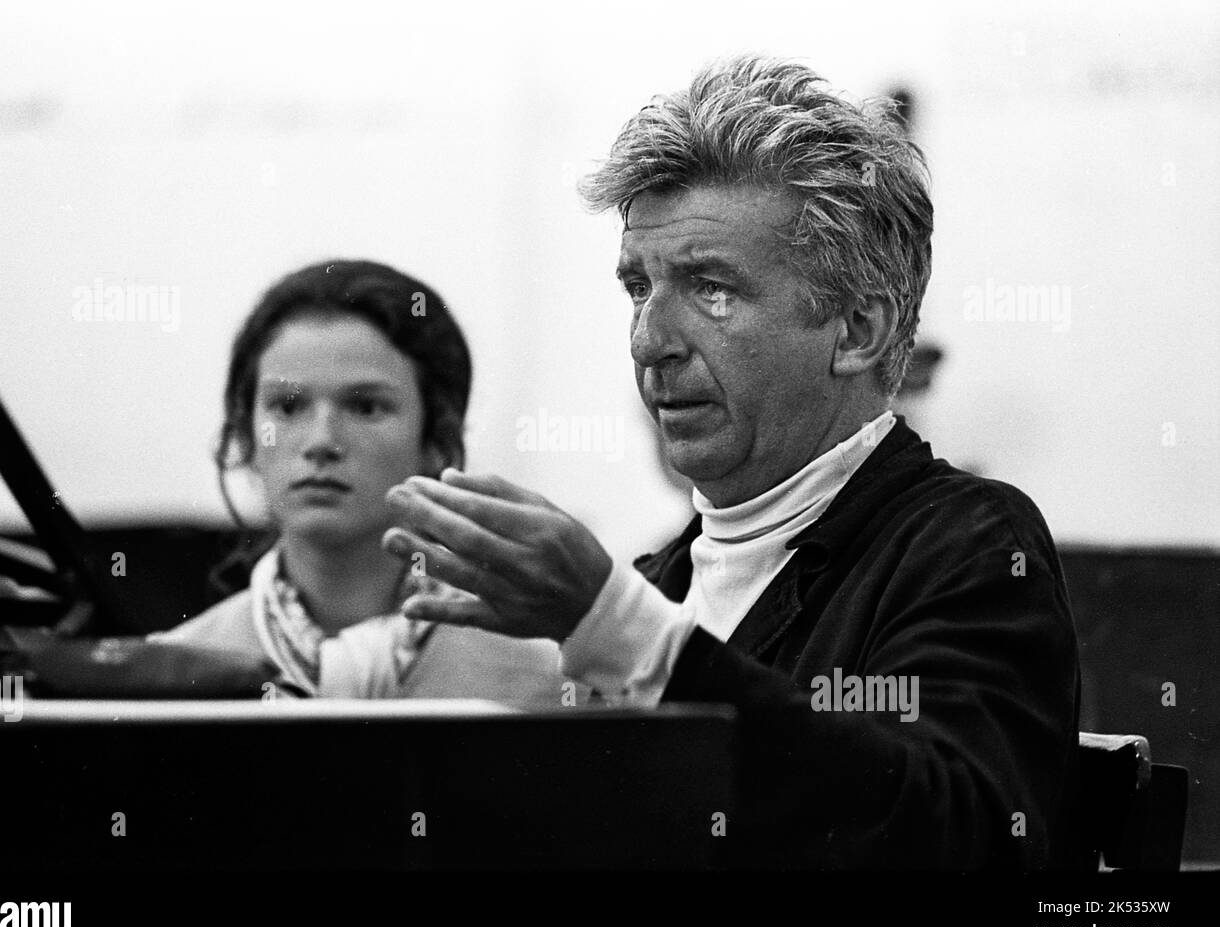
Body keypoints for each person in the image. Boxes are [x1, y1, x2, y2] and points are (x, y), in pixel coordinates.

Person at [380, 57, 1081, 868]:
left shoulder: (971, 545)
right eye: (639, 288)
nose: (649, 340)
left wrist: (613, 627)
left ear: (858, 329)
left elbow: (957, 843)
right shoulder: (657, 584)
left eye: (711, 288)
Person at [150, 259, 575, 706]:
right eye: (287, 407)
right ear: (245, 434)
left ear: (437, 440)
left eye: (366, 407)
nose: (321, 442)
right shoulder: (173, 680)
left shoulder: (547, 679)